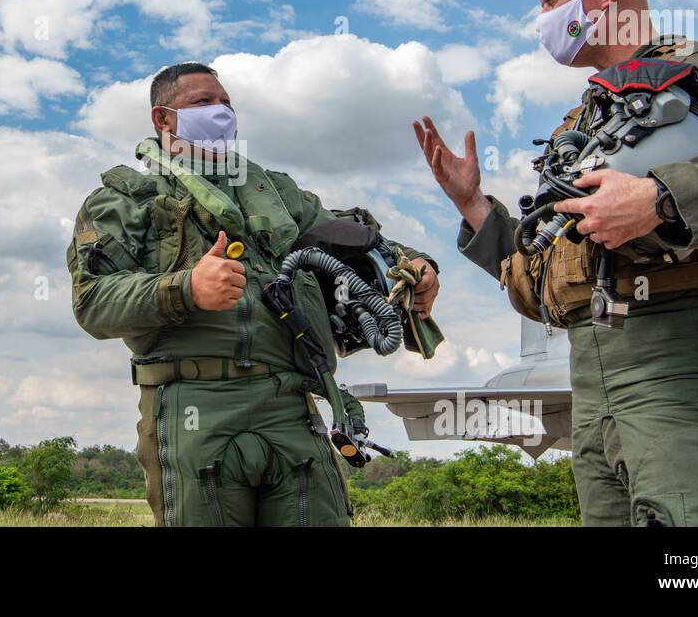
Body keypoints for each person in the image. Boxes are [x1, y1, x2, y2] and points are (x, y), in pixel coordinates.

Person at [414, 0, 698, 526]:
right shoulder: (581, 123)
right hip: (593, 380)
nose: (542, 20)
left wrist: (660, 198)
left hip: (686, 363)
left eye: (552, 0)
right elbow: (547, 287)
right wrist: (475, 206)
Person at [67, 61, 441, 526]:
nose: (221, 112)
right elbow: (92, 301)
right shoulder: (124, 201)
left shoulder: (273, 191)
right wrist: (186, 288)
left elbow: (348, 233)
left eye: (226, 102)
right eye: (203, 102)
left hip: (290, 401)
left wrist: (415, 264)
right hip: (194, 405)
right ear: (163, 120)